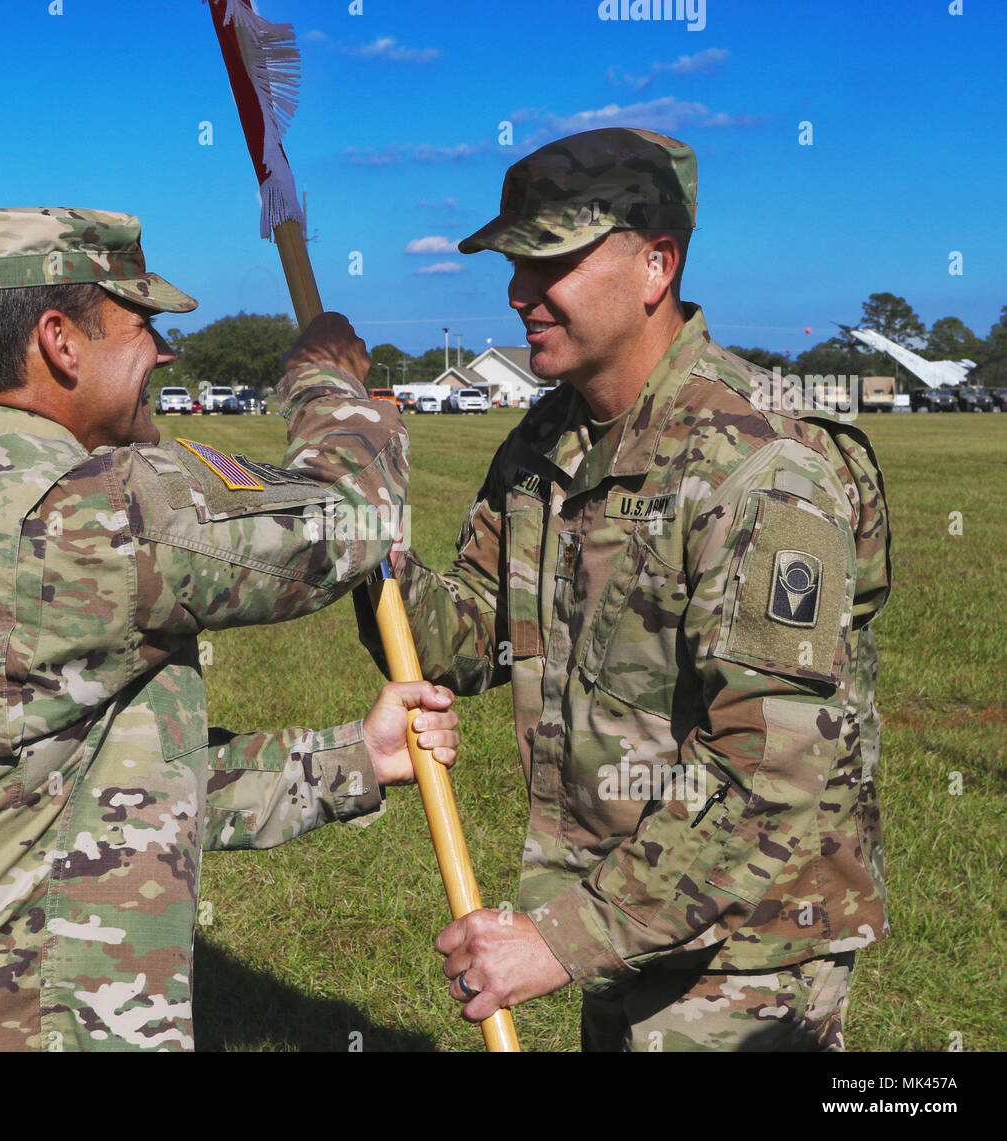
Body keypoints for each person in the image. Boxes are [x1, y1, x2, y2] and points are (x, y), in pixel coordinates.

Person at [0, 204, 459, 1052]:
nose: (165, 352)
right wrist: (327, 380)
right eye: (142, 325)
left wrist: (358, 756)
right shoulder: (77, 510)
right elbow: (351, 517)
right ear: (61, 342)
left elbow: (102, 791)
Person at [357, 128, 892, 1051]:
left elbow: (769, 777)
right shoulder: (544, 446)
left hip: (745, 959)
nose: (521, 292)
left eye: (552, 260)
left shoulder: (764, 467)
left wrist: (556, 942)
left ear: (656, 266)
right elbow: (465, 633)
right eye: (516, 263)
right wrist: (362, 538)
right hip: (621, 915)